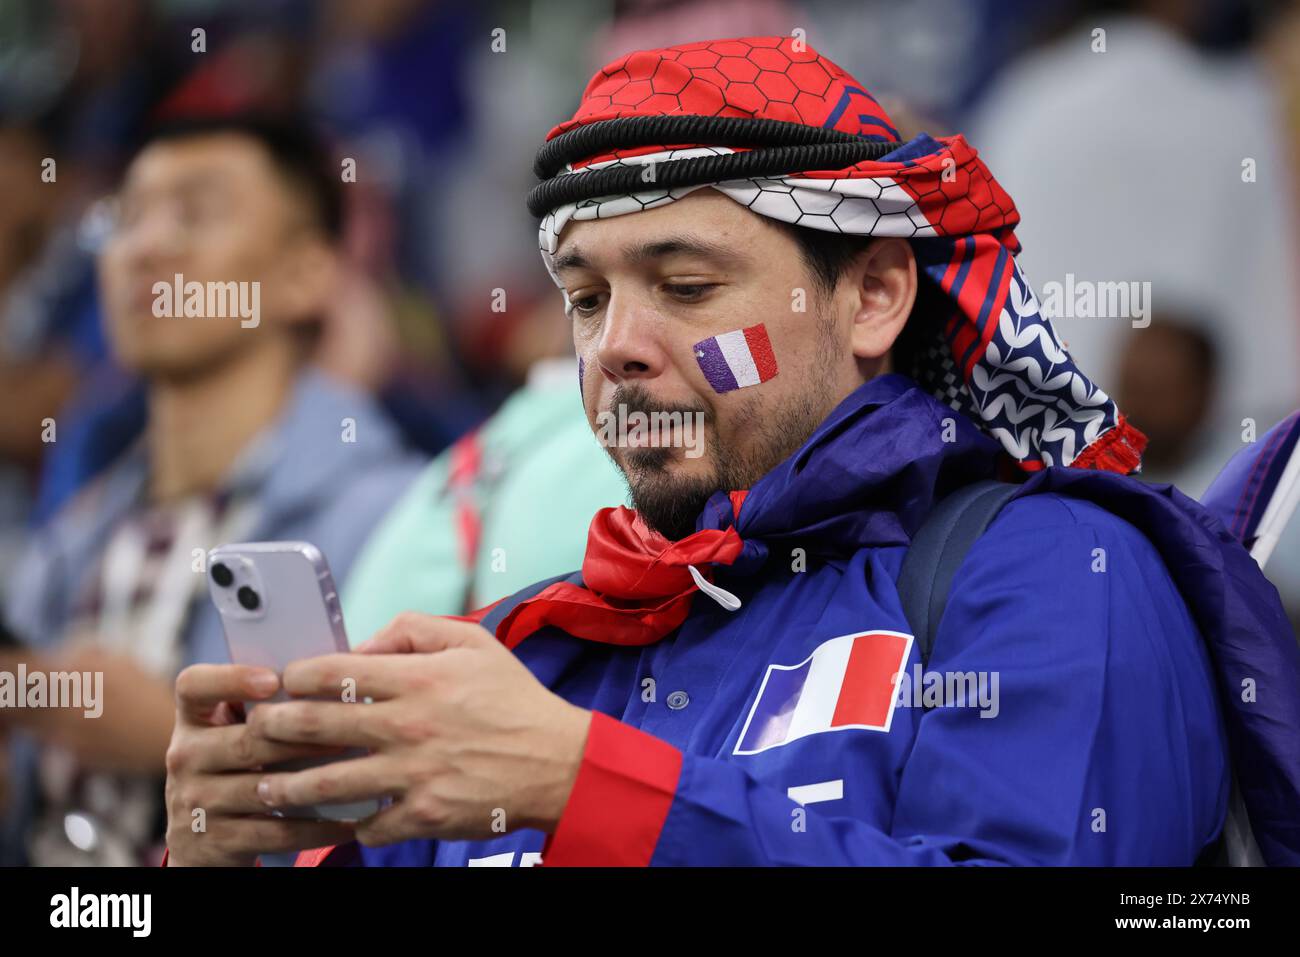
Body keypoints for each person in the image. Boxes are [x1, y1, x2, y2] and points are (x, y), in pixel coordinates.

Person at [162, 36, 1299, 867]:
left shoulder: (1059, 569)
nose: (615, 351)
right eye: (586, 297)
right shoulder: (531, 656)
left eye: (686, 286)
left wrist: (586, 786)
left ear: (874, 297)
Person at [0, 113, 424, 865]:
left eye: (196, 213)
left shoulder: (401, 517)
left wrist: (164, 730)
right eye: (125, 217)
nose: (144, 246)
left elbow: (415, 796)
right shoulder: (75, 535)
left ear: (306, 274)